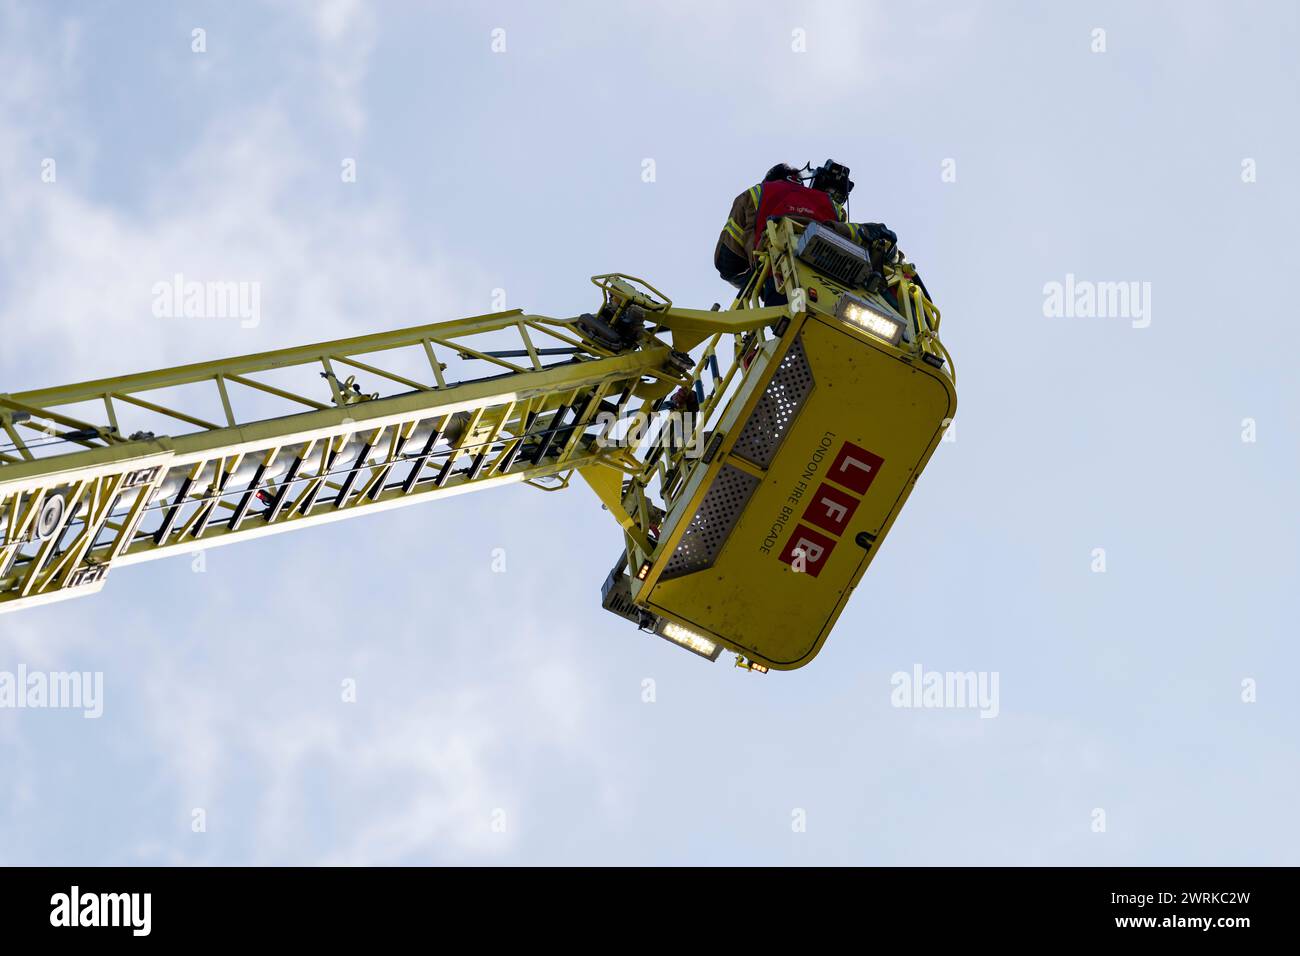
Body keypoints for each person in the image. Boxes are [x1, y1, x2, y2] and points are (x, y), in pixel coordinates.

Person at [713, 161, 901, 303]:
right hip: (840, 287)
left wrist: (754, 283)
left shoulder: (754, 194)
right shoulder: (832, 205)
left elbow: (727, 260)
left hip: (780, 282)